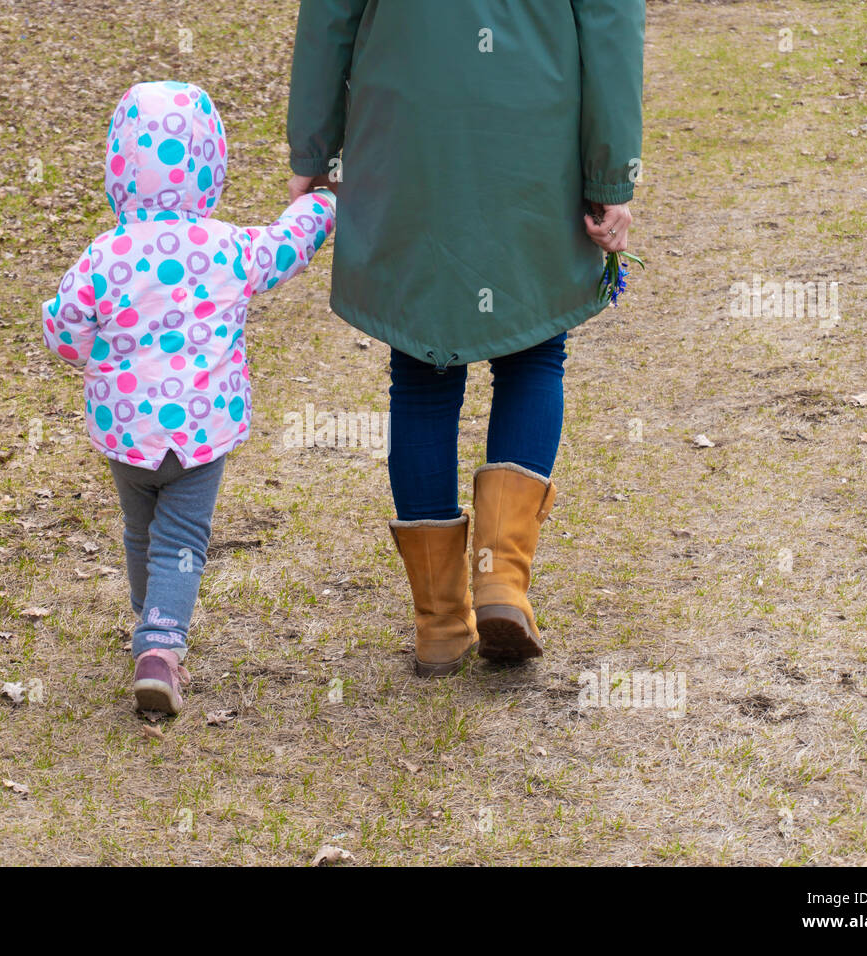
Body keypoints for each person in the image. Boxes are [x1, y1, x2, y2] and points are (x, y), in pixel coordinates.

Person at [286, 0, 645, 675]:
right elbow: (610, 22)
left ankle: (441, 624)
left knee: (421, 367)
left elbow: (329, 14)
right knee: (534, 352)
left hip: (407, 128)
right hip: (534, 127)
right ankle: (501, 582)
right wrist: (611, 170)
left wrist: (313, 144)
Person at [43, 81, 336, 712]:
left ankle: (151, 616)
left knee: (140, 525)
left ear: (118, 167)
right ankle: (160, 644)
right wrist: (322, 205)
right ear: (211, 166)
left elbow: (65, 331)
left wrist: (90, 353)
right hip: (202, 428)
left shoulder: (105, 255)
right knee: (183, 535)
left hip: (125, 428)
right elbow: (285, 245)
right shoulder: (227, 247)